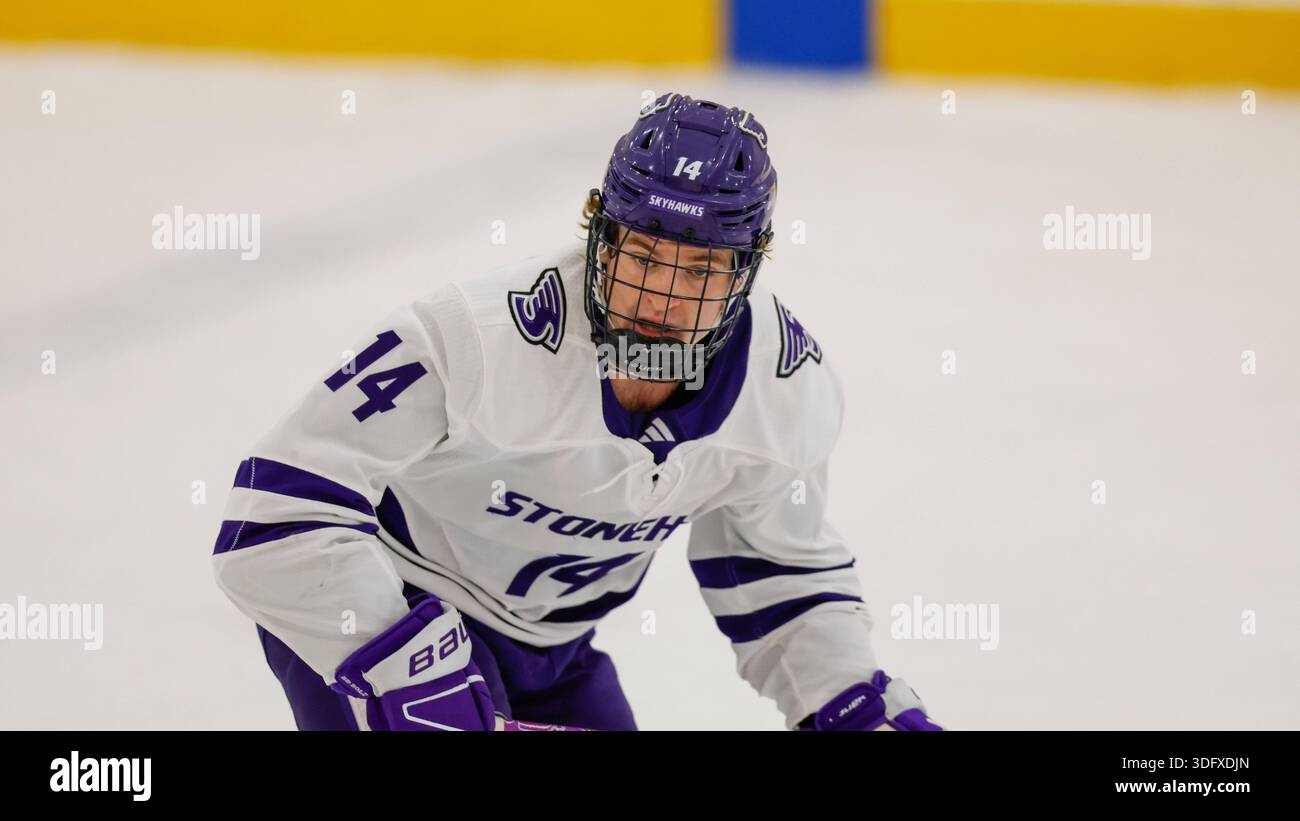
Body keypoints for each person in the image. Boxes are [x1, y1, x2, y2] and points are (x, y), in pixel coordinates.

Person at [212, 92, 942, 732]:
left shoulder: (784, 392)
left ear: (748, 271)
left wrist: (854, 702)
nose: (660, 302)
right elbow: (271, 521)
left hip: (553, 659)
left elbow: (781, 581)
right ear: (602, 235)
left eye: (699, 270)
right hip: (382, 615)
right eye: (646, 257)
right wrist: (407, 663)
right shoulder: (476, 338)